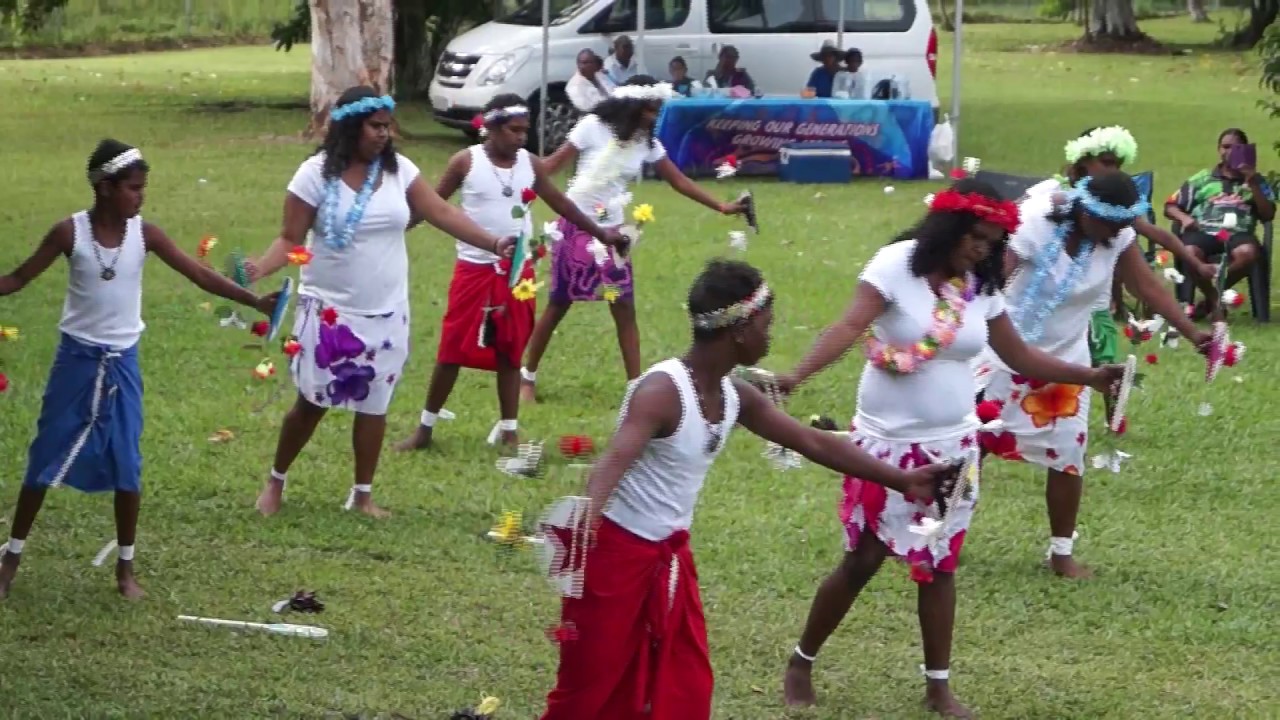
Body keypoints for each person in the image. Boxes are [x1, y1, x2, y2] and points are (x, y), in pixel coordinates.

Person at [540, 259, 951, 720]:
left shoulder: (733, 395)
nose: (770, 337)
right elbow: (614, 458)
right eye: (765, 325)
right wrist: (587, 515)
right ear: (739, 330)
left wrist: (902, 479)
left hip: (670, 558)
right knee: (589, 688)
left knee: (685, 687)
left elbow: (812, 441)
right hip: (613, 557)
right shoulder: (661, 391)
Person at [778, 179, 1126, 717]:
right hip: (885, 444)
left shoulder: (980, 287)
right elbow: (848, 325)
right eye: (975, 238)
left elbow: (1019, 356)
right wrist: (795, 376)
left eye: (991, 242)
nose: (982, 250)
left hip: (953, 446)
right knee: (863, 560)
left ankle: (938, 687)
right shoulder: (896, 264)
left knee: (940, 566)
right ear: (949, 228)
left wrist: (1089, 375)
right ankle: (801, 662)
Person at [0, 139, 278, 599]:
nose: (140, 196)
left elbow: (198, 274)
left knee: (127, 464)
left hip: (121, 365)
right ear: (105, 187)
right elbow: (17, 278)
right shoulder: (69, 233)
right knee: (45, 454)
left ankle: (125, 568)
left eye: (142, 188)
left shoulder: (146, 235)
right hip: (76, 362)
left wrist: (254, 301)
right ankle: (11, 557)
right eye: (133, 188)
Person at [248, 86, 513, 519]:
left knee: (375, 404)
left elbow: (442, 213)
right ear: (351, 127)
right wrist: (260, 268)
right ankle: (276, 480)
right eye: (375, 126)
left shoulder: (400, 171)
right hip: (329, 309)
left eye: (387, 126)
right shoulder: (313, 175)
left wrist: (494, 242)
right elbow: (291, 239)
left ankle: (363, 495)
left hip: (387, 309)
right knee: (312, 402)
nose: (384, 134)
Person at [977, 169, 1211, 578]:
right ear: (1085, 212)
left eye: (1122, 226)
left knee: (1068, 454)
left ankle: (1061, 553)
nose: (1116, 234)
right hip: (1001, 351)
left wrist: (1193, 334)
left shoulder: (1117, 235)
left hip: (1068, 359)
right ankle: (942, 532)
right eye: (1109, 224)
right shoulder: (1035, 225)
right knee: (971, 445)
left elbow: (1147, 288)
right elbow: (990, 285)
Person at [394, 96, 622, 452]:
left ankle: (510, 429)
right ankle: (425, 428)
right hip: (474, 268)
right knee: (452, 348)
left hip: (518, 272)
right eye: (514, 130)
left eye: (524, 131)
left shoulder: (530, 164)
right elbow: (432, 205)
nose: (520, 137)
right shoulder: (465, 161)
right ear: (492, 128)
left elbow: (561, 203)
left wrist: (601, 233)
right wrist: (393, 229)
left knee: (511, 347)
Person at [519, 76, 746, 403]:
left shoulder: (647, 143)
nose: (654, 116)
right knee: (559, 303)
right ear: (631, 106)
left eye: (657, 109)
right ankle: (527, 377)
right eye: (649, 109)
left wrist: (722, 206)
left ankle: (636, 386)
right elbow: (551, 165)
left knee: (623, 305)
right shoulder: (593, 126)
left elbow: (679, 181)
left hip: (614, 235)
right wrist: (514, 174)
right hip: (576, 226)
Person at [1042, 127, 1217, 418]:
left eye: (1117, 165)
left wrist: (1193, 331)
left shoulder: (1118, 211)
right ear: (1083, 162)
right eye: (1107, 163)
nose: (1114, 171)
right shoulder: (1048, 199)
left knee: (1103, 357)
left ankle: (1113, 414)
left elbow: (1147, 282)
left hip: (1093, 301)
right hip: (1041, 308)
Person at [1164, 127, 1276, 318]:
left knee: (1248, 253)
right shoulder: (1203, 179)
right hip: (1204, 231)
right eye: (1225, 147)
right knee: (1189, 252)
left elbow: (1268, 215)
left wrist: (1253, 182)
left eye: (1235, 148)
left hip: (1239, 234)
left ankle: (1210, 300)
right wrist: (1185, 218)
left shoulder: (1257, 181)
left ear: (1245, 150)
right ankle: (1215, 300)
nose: (1228, 152)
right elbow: (1170, 206)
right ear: (1219, 149)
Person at [566, 49, 612, 113]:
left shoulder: (600, 76)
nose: (582, 66)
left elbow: (613, 92)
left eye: (586, 63)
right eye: (581, 63)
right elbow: (585, 109)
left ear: (595, 64)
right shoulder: (575, 86)